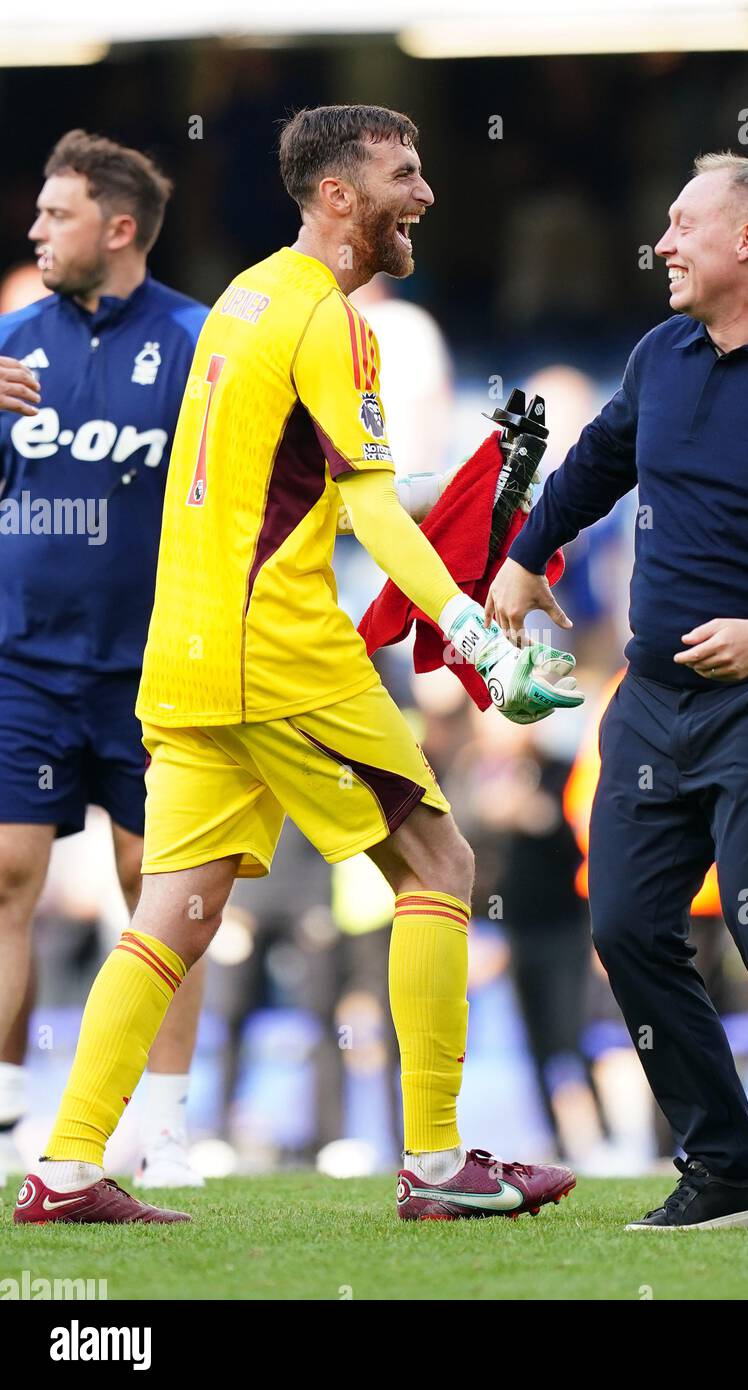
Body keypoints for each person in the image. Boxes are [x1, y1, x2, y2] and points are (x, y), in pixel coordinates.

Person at [13, 104, 582, 1226]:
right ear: (338, 194)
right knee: (437, 861)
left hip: (179, 655)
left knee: (174, 909)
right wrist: (472, 637)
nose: (422, 195)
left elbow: (300, 488)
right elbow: (367, 506)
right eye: (403, 174)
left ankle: (67, 1166)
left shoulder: (242, 300)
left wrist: (472, 515)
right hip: (275, 650)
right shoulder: (332, 320)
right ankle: (432, 1163)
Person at [488, 152, 748, 1234]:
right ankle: (722, 1166)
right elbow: (595, 459)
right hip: (648, 698)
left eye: (682, 225)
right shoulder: (660, 354)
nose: (661, 244)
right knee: (627, 924)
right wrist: (526, 552)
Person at [0, 131, 209, 1189]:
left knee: (157, 890)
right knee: (6, 873)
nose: (34, 228)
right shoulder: (9, 343)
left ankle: (162, 1130)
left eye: (56, 213)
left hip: (153, 674)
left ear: (118, 229)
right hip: (22, 664)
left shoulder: (198, 344)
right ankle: (2, 1117)